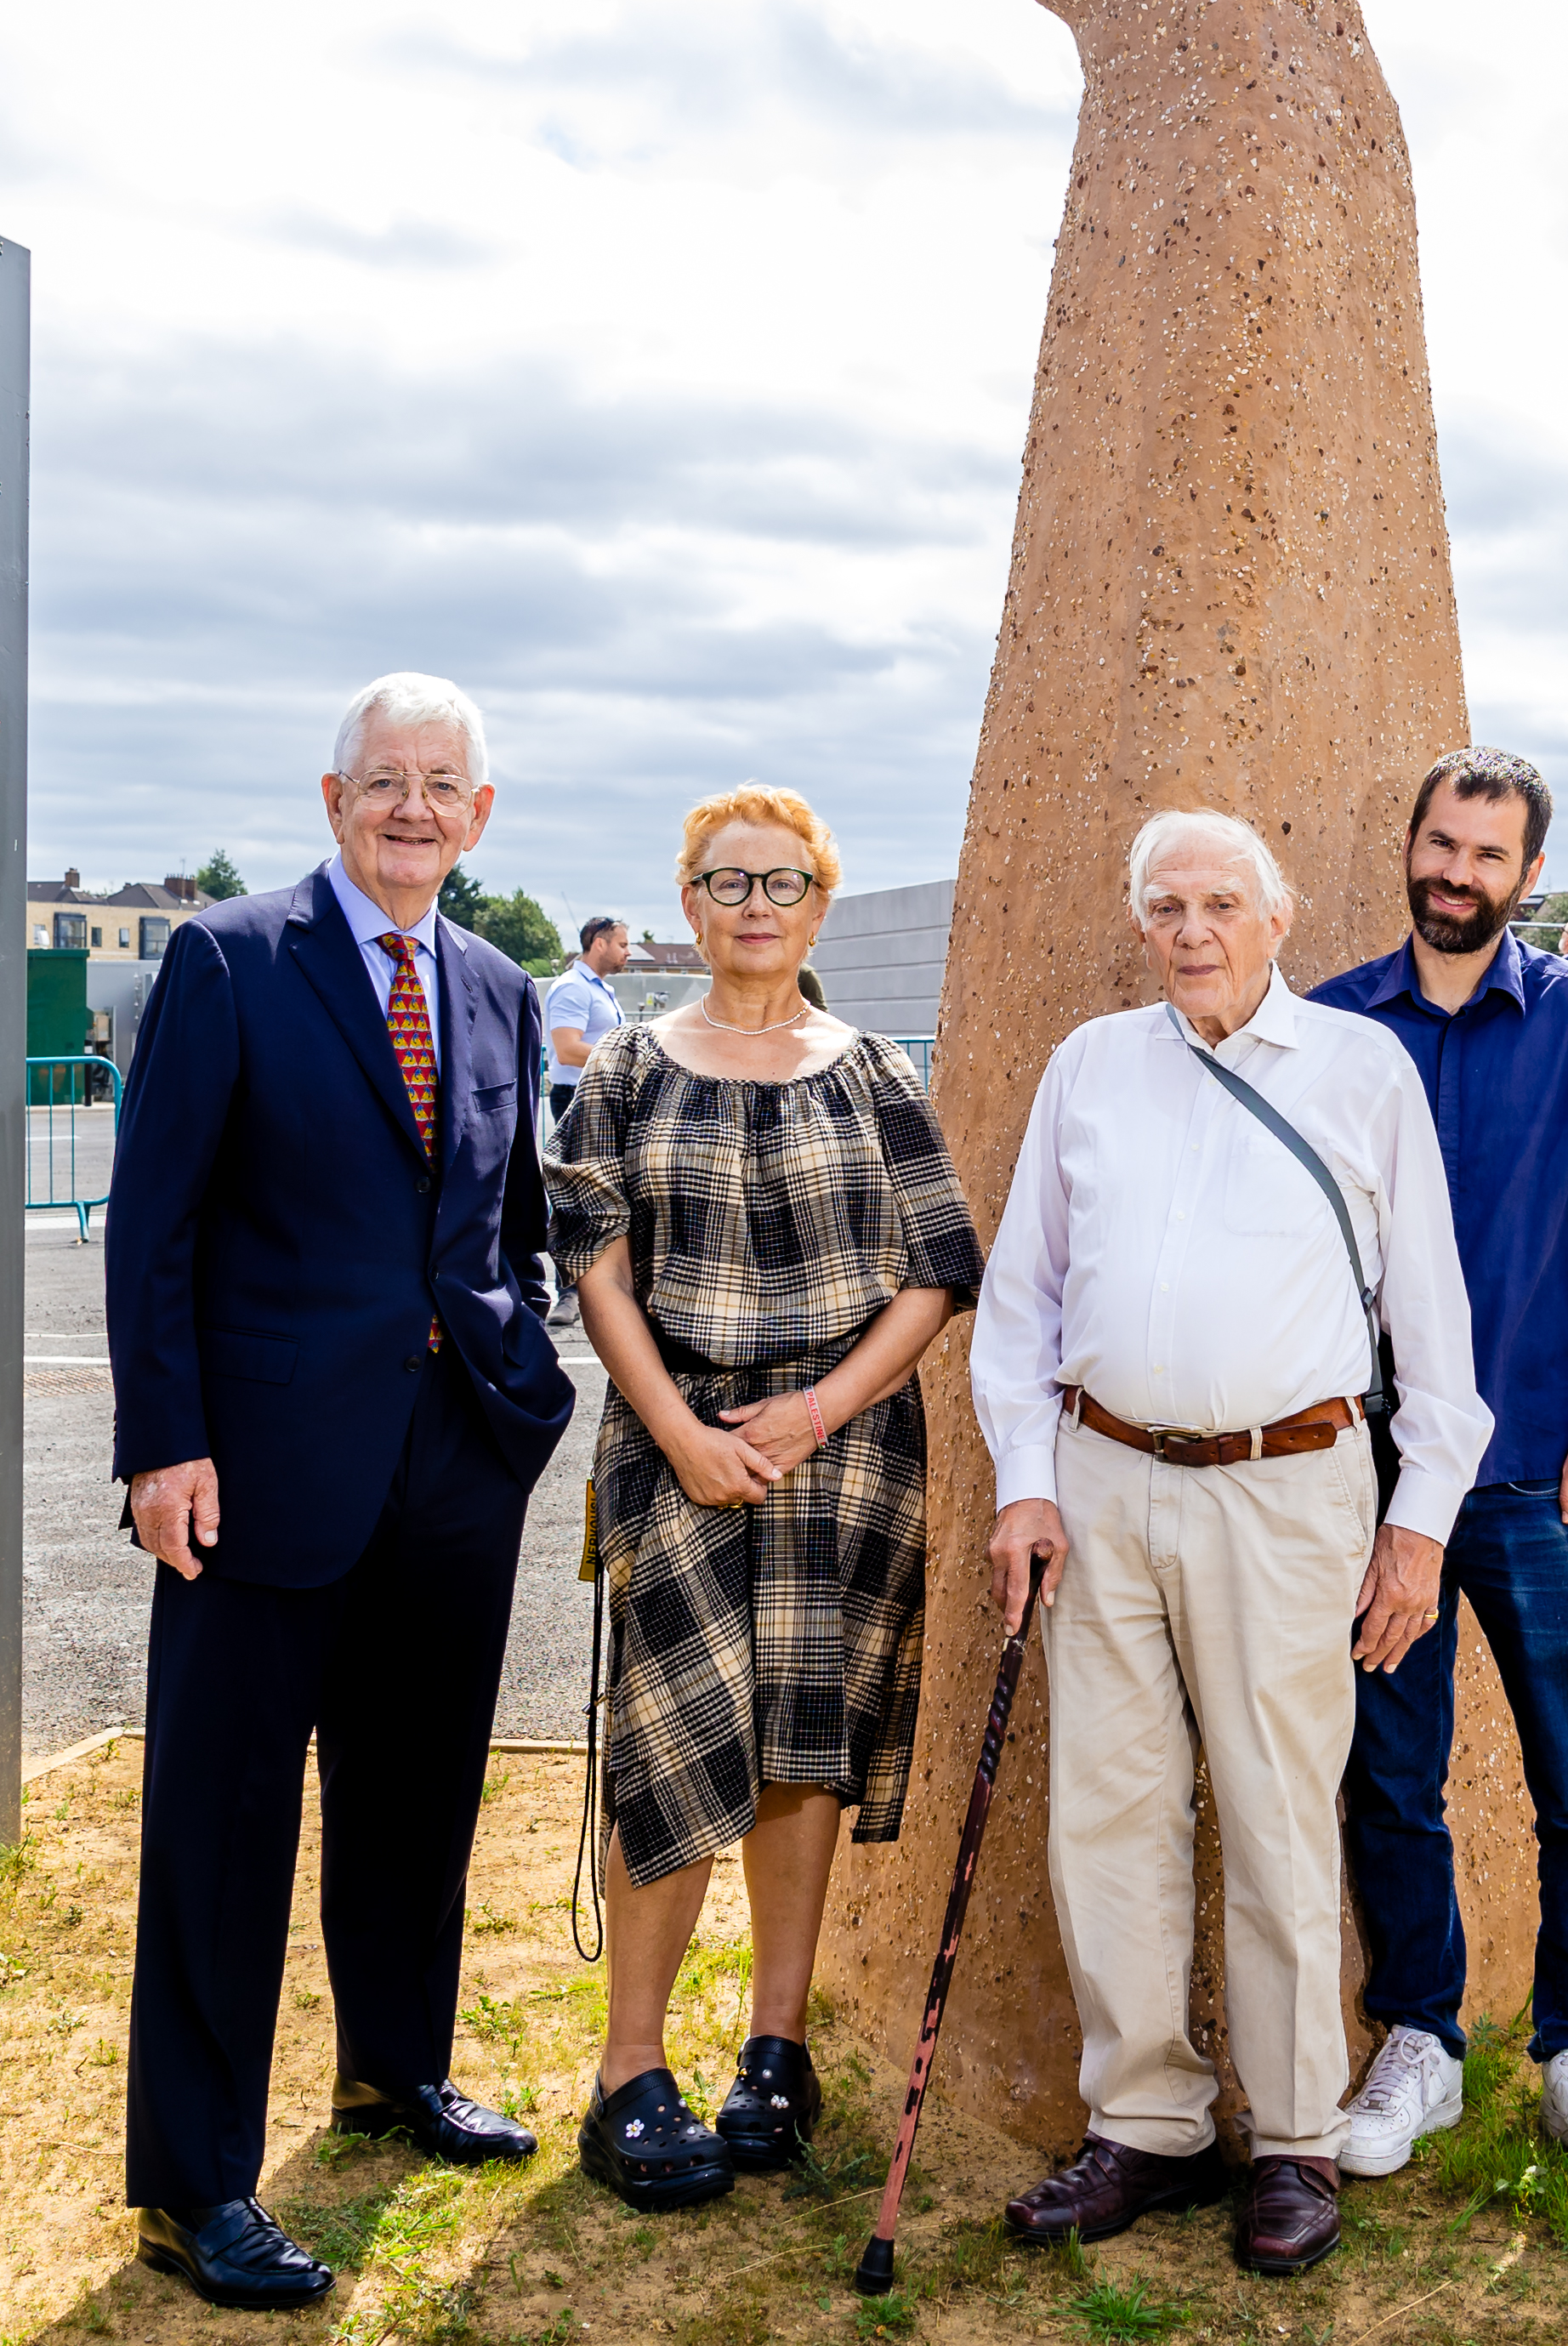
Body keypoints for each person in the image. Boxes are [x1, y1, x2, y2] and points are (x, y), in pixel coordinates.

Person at [105, 673, 573, 2311]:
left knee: (416, 1791)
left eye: (445, 781)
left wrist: (517, 1398)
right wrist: (163, 1442)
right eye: (387, 778)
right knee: (224, 1828)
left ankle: (392, 2068)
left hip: (451, 1462)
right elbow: (149, 1223)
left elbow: (501, 1222)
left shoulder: (501, 985)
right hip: (254, 1482)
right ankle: (193, 2184)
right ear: (333, 797)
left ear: (481, 814)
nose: (415, 806)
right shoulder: (231, 961)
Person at [978, 810, 1488, 2281]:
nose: (1189, 928)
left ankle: (1291, 2134)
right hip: (1100, 1480)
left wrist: (1416, 1522)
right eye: (1164, 904)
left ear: (1277, 917)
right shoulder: (1091, 1062)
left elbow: (1432, 1325)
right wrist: (1026, 1480)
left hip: (1290, 1485)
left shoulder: (1359, 1067)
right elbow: (1020, 1303)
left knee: (1277, 1810)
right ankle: (1145, 2117)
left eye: (1217, 902)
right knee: (1108, 1809)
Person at [550, 789, 980, 2211]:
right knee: (674, 1744)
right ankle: (631, 2069)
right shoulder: (622, 1065)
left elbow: (934, 1269)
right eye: (726, 879)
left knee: (802, 1738)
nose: (753, 902)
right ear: (689, 902)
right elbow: (595, 1258)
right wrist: (677, 1426)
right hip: (676, 1444)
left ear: (818, 903)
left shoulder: (872, 1072)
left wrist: (814, 1408)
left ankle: (773, 2050)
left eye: (781, 880)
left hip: (841, 1450)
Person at [1311, 750, 1568, 2201]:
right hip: (1372, 1478)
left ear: (1531, 874)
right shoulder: (1335, 1023)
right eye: (1439, 843)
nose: (1456, 872)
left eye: (1487, 853)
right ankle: (1420, 2033)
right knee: (1388, 1774)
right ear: (1407, 846)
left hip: (1534, 1465)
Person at [544, 913, 632, 1134]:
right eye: (622, 945)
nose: (628, 952)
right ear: (600, 944)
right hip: (579, 1096)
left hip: (593, 1095)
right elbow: (567, 1050)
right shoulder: (573, 987)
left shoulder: (593, 988)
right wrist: (627, 1060)